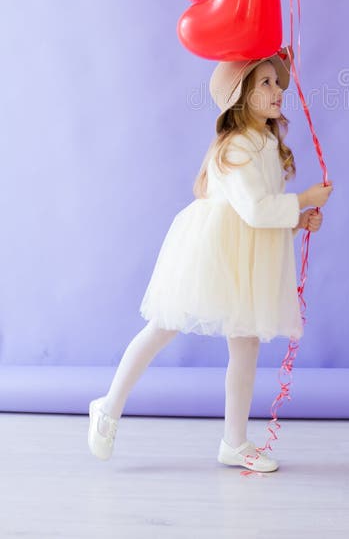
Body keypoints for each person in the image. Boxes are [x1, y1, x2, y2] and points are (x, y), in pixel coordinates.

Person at [87, 46, 333, 472]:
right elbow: (256, 209)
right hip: (211, 253)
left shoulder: (268, 144)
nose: (278, 90)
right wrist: (303, 199)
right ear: (241, 97)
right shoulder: (235, 147)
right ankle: (107, 406)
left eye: (278, 82)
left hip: (245, 258)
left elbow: (265, 217)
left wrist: (298, 219)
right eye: (266, 83)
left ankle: (233, 442)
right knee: (163, 327)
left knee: (246, 344)